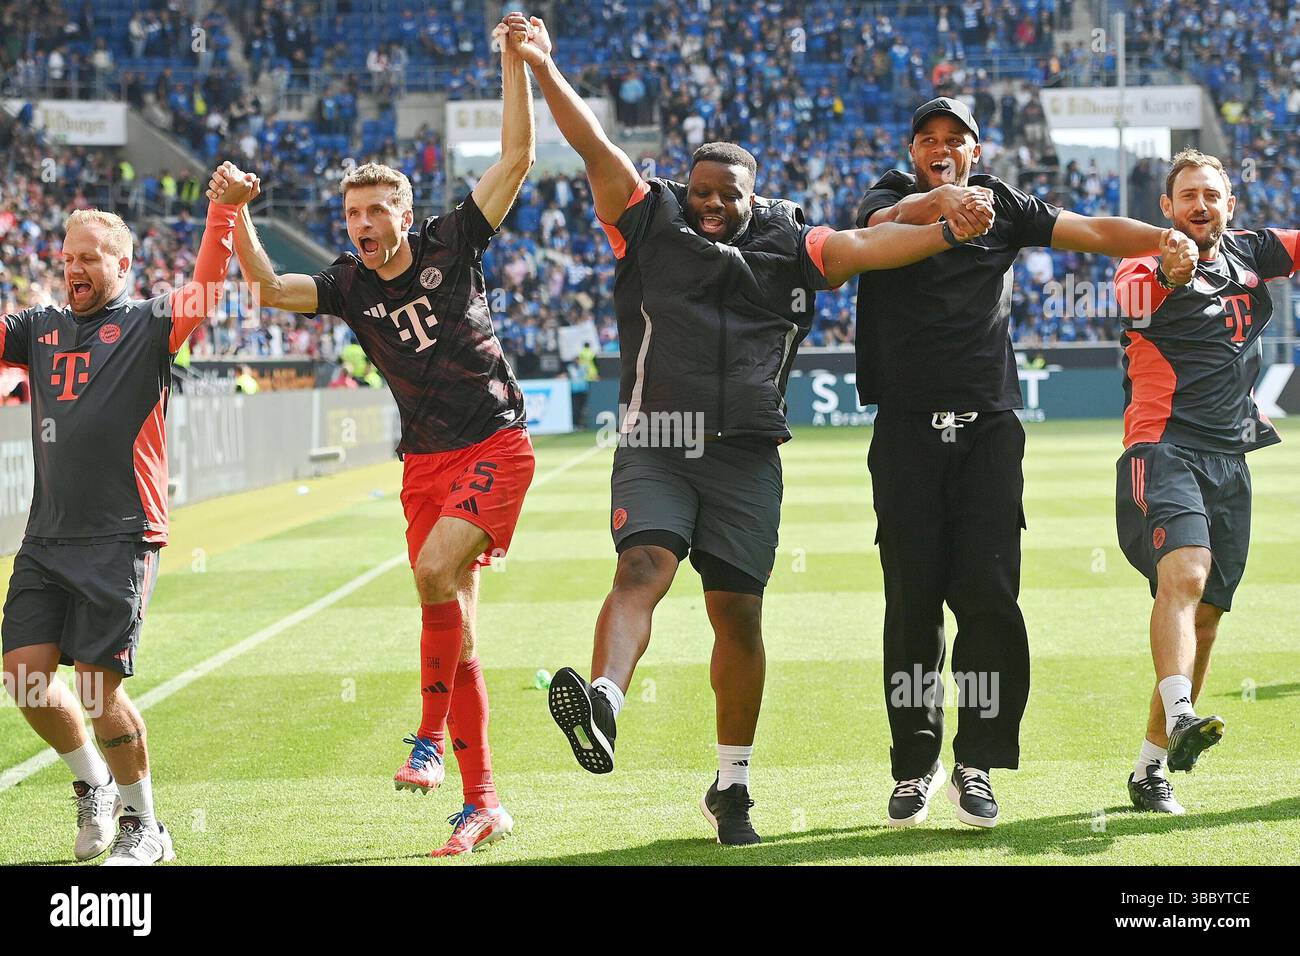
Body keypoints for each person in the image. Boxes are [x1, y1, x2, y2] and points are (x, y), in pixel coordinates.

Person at [507, 15, 993, 846]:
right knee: (643, 565)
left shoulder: (794, 244)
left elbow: (872, 247)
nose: (710, 207)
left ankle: (732, 787)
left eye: (725, 195)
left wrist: (947, 230)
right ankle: (605, 704)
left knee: (738, 619)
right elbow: (593, 146)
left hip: (747, 457)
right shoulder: (649, 221)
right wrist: (544, 66)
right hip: (659, 441)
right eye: (700, 193)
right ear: (684, 190)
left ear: (751, 196)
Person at [218, 22, 535, 857]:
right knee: (454, 616)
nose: (360, 223)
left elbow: (516, 160)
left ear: (404, 212)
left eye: (374, 211)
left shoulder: (449, 241)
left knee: (435, 574)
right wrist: (237, 217)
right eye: (350, 213)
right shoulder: (347, 284)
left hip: (496, 444)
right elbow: (269, 287)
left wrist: (514, 63)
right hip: (424, 464)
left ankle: (427, 735)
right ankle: (484, 803)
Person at [854, 97, 1197, 829]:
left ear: (978, 149)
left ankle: (975, 765)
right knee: (912, 608)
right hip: (907, 431)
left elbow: (1096, 231)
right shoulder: (887, 197)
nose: (941, 148)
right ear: (914, 151)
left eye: (956, 140)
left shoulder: (1005, 206)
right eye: (928, 140)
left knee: (989, 603)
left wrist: (1162, 237)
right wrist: (940, 200)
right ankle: (916, 767)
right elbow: (879, 228)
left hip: (990, 432)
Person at [0, 175, 252, 866]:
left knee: (95, 687)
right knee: (22, 674)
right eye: (66, 257)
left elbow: (205, 286)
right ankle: (96, 786)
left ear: (122, 265)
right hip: (46, 536)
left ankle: (149, 826)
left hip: (122, 532)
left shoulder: (148, 323)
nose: (73, 269)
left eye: (88, 257)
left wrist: (223, 211)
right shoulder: (38, 328)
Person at [1112, 149, 1299, 813]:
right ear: (1166, 207)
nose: (1199, 205)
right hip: (1162, 450)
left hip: (1232, 458)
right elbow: (1131, 299)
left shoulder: (1253, 252)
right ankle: (1185, 710)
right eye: (1187, 195)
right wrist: (1167, 272)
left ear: (1229, 204)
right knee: (1185, 576)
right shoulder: (1146, 262)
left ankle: (1150, 767)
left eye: (1210, 195)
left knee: (1210, 617)